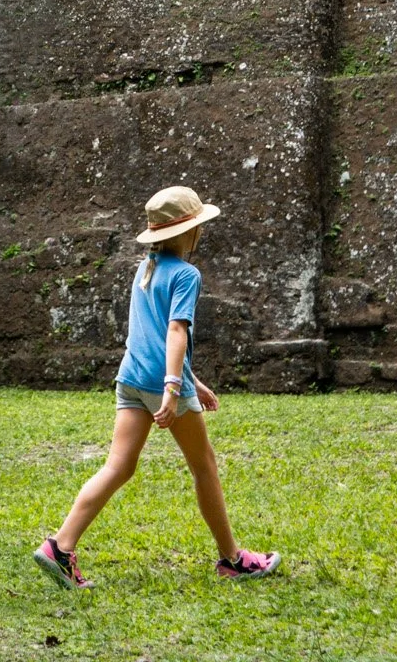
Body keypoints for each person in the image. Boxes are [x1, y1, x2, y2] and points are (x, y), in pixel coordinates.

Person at [33, 184, 281, 590]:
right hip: (160, 384)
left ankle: (59, 546)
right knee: (205, 468)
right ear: (188, 232)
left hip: (130, 378)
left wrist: (192, 381)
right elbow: (175, 330)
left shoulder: (144, 267)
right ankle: (233, 559)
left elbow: (147, 333)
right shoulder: (186, 274)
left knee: (117, 467)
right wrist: (173, 388)